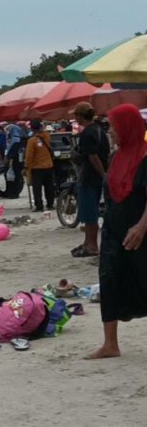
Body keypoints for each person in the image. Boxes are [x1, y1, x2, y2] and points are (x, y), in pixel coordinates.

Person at [86, 104, 147, 359]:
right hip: (113, 228)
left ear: (126, 127)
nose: (109, 131)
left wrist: (142, 226)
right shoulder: (116, 156)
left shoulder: (145, 157)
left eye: (112, 126)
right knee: (109, 278)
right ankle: (110, 344)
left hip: (139, 229)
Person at [71, 103, 110, 258]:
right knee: (91, 211)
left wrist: (103, 174)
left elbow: (92, 156)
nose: (74, 118)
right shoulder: (100, 130)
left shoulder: (87, 133)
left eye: (76, 115)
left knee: (89, 213)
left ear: (81, 116)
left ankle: (92, 245)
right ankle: (88, 243)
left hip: (88, 177)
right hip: (95, 178)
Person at [25, 119, 55, 212]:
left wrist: (26, 166)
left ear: (32, 129)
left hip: (37, 167)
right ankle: (50, 204)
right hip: (48, 165)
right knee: (49, 186)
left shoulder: (31, 141)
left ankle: (39, 206)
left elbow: (29, 156)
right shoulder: (47, 136)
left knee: (37, 188)